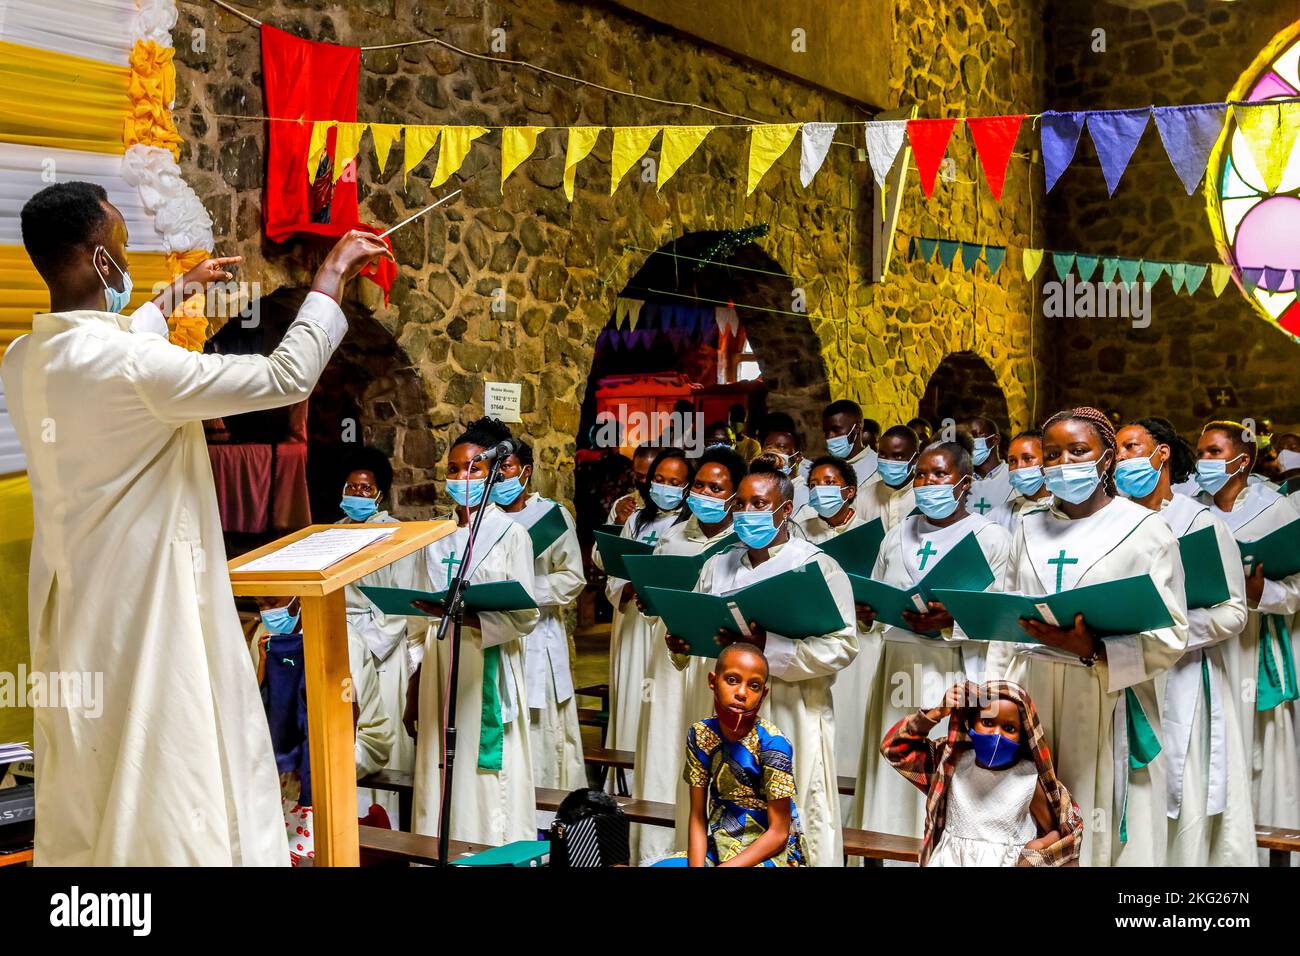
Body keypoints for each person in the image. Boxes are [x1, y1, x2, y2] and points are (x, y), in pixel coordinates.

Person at [1, 181, 392, 865]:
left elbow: (107, 357)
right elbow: (285, 377)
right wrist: (327, 281)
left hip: (79, 606)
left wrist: (173, 296)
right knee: (170, 768)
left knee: (97, 768)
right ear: (99, 261)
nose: (127, 255)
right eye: (121, 243)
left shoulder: (24, 360)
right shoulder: (135, 366)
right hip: (151, 604)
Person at [985, 407, 1188, 866]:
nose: (1063, 464)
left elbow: (1172, 634)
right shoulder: (1026, 527)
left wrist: (1096, 649)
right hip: (1031, 692)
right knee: (1032, 817)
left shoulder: (1145, 530)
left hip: (1102, 693)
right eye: (1052, 454)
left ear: (1107, 458)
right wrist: (995, 695)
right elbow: (1006, 619)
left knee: (1094, 819)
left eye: (1079, 452)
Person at [665, 465, 858, 866]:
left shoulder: (815, 566)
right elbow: (702, 626)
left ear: (785, 509)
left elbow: (843, 645)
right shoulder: (718, 563)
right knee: (716, 803)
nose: (746, 512)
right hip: (726, 715)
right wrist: (683, 642)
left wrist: (769, 646)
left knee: (793, 807)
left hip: (790, 707)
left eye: (759, 504)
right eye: (741, 503)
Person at [851, 434, 1011, 843]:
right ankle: (879, 848)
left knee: (936, 758)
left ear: (965, 482)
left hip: (950, 671)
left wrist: (949, 620)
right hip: (896, 665)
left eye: (939, 474)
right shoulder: (896, 535)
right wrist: (867, 613)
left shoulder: (990, 538)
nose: (927, 483)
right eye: (921, 475)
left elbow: (999, 618)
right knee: (891, 755)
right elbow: (876, 593)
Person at [1116, 418, 1254, 865]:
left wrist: (1165, 631)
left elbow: (1234, 610)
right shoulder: (1109, 520)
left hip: (1184, 678)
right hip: (1122, 674)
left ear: (1162, 454)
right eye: (1115, 450)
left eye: (1131, 447)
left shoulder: (1199, 521)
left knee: (1184, 792)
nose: (1121, 459)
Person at [403, 417, 540, 846]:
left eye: (473, 469)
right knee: (438, 770)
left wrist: (475, 618)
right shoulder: (433, 537)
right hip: (439, 669)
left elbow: (526, 615)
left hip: (487, 666)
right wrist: (412, 686)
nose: (462, 477)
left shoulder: (511, 535)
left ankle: (488, 848)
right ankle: (436, 850)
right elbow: (414, 624)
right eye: (454, 469)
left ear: (491, 474)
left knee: (484, 780)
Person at [1193, 420, 1300, 851]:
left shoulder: (1276, 510)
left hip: (1253, 642)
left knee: (1256, 743)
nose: (1205, 461)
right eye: (1200, 452)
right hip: (1203, 637)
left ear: (1244, 459)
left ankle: (1266, 845)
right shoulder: (1188, 507)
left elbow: (1296, 589)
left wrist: (1263, 592)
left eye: (1214, 452)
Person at [634, 446, 744, 862]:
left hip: (719, 665)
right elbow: (653, 593)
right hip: (673, 653)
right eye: (699, 485)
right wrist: (650, 604)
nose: (703, 494)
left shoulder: (743, 545)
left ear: (735, 495)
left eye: (716, 488)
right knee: (668, 742)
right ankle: (663, 850)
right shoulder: (673, 535)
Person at [249, 595, 393, 865]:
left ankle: (305, 845)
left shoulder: (340, 635)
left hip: (356, 737)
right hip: (292, 735)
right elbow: (257, 705)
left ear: (297, 597)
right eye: (260, 605)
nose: (267, 612)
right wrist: (263, 666)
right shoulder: (266, 635)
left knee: (297, 770)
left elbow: (347, 713)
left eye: (272, 602)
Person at [882, 681, 1083, 866]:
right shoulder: (951, 764)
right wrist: (936, 713)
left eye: (1009, 728)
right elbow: (894, 749)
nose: (996, 734)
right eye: (987, 723)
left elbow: (1056, 831)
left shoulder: (1028, 781)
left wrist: (1037, 847)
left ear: (1023, 736)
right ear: (970, 723)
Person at [494, 438, 587, 794]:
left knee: (541, 727)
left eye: (508, 467)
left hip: (538, 635)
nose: (501, 475)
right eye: (496, 468)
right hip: (495, 630)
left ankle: (544, 817)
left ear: (526, 471)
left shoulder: (550, 514)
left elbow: (572, 577)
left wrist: (523, 588)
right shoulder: (484, 518)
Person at [337, 447, 423, 822]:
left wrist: (364, 649)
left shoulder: (393, 538)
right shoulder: (332, 533)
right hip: (337, 641)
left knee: (375, 728)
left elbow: (399, 603)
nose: (357, 494)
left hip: (377, 651)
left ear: (379, 495)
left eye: (364, 488)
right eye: (351, 487)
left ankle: (383, 816)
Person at [666, 643, 805, 867]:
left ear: (764, 694)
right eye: (732, 680)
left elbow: (779, 833)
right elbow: (697, 817)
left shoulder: (773, 743)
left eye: (754, 685)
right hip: (719, 844)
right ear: (712, 681)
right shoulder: (700, 734)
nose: (741, 693)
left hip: (768, 853)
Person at [792, 455, 878, 814]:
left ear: (850, 491)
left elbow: (884, 589)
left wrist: (869, 610)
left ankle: (850, 808)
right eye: (815, 485)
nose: (820, 491)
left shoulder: (873, 532)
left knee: (852, 723)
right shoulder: (798, 529)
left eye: (830, 483)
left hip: (858, 641)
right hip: (813, 639)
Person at [598, 447, 690, 768]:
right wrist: (626, 586)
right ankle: (622, 773)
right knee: (630, 696)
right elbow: (614, 570)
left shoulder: (690, 525)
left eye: (675, 482)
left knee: (658, 696)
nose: (665, 487)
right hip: (633, 621)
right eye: (659, 480)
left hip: (666, 626)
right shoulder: (636, 519)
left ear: (687, 486)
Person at [857, 424, 919, 531]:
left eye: (898, 456)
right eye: (883, 454)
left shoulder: (924, 498)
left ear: (915, 459)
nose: (889, 461)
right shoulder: (863, 497)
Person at [990, 429, 1052, 534]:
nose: (1019, 467)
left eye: (1028, 458)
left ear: (1047, 460)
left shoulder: (1065, 509)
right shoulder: (997, 516)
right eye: (1012, 461)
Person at [818, 399, 878, 490]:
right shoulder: (824, 469)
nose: (829, 436)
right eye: (826, 432)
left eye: (836, 430)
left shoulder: (878, 467)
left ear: (857, 427)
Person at [960, 415, 1012, 520]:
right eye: (966, 438)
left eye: (974, 435)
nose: (969, 442)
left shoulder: (1013, 476)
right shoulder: (960, 479)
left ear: (995, 440)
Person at [758, 411, 808, 511]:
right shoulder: (758, 487)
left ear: (797, 456)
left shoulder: (807, 495)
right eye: (768, 447)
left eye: (781, 447)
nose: (773, 452)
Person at [606, 442, 657, 526]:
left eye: (650, 477)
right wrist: (620, 522)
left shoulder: (673, 504)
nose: (644, 481)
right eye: (639, 476)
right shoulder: (623, 505)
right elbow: (606, 539)